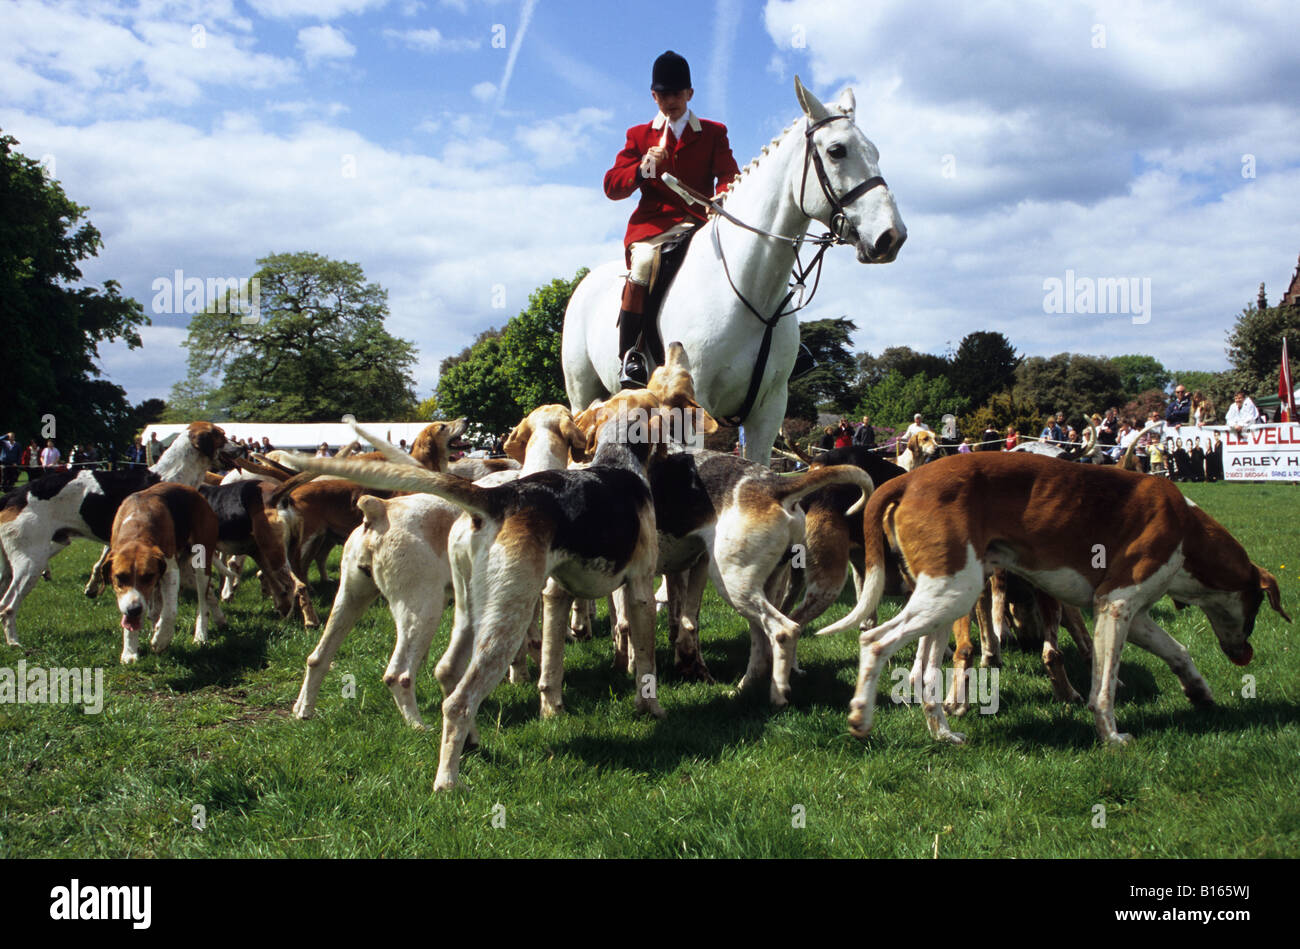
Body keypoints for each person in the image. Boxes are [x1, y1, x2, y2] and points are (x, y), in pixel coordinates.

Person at [604, 50, 740, 388]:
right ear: (654, 96)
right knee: (643, 263)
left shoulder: (712, 132)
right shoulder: (639, 136)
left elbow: (728, 175)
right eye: (663, 95)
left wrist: (721, 195)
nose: (670, 101)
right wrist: (641, 167)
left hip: (700, 221)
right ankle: (631, 355)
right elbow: (612, 186)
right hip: (653, 227)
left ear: (690, 94)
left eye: (677, 94)